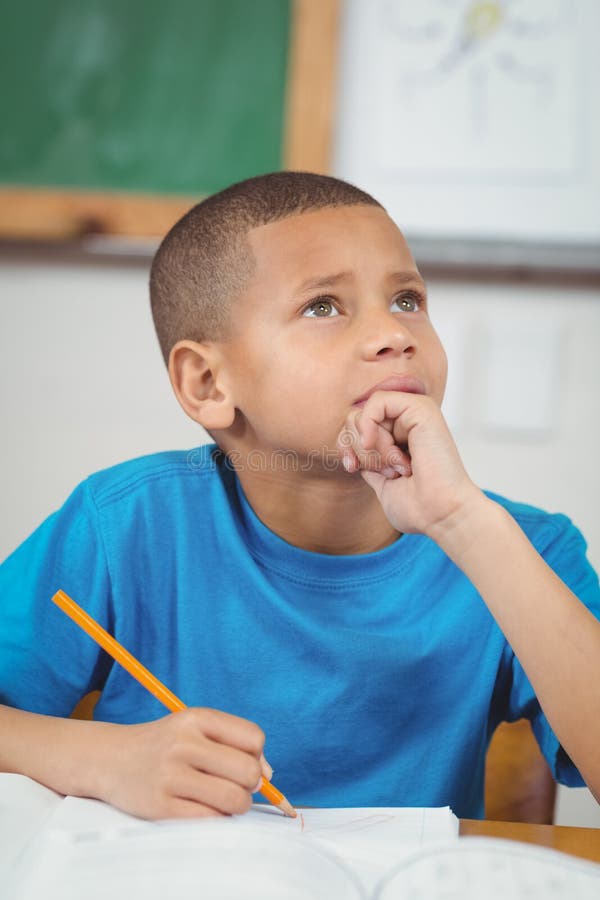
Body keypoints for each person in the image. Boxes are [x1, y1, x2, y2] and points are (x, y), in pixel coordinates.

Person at [0, 172, 598, 822]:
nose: (394, 335)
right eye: (323, 306)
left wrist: (461, 522)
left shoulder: (522, 547)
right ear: (207, 383)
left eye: (406, 299)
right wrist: (103, 758)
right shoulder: (125, 526)